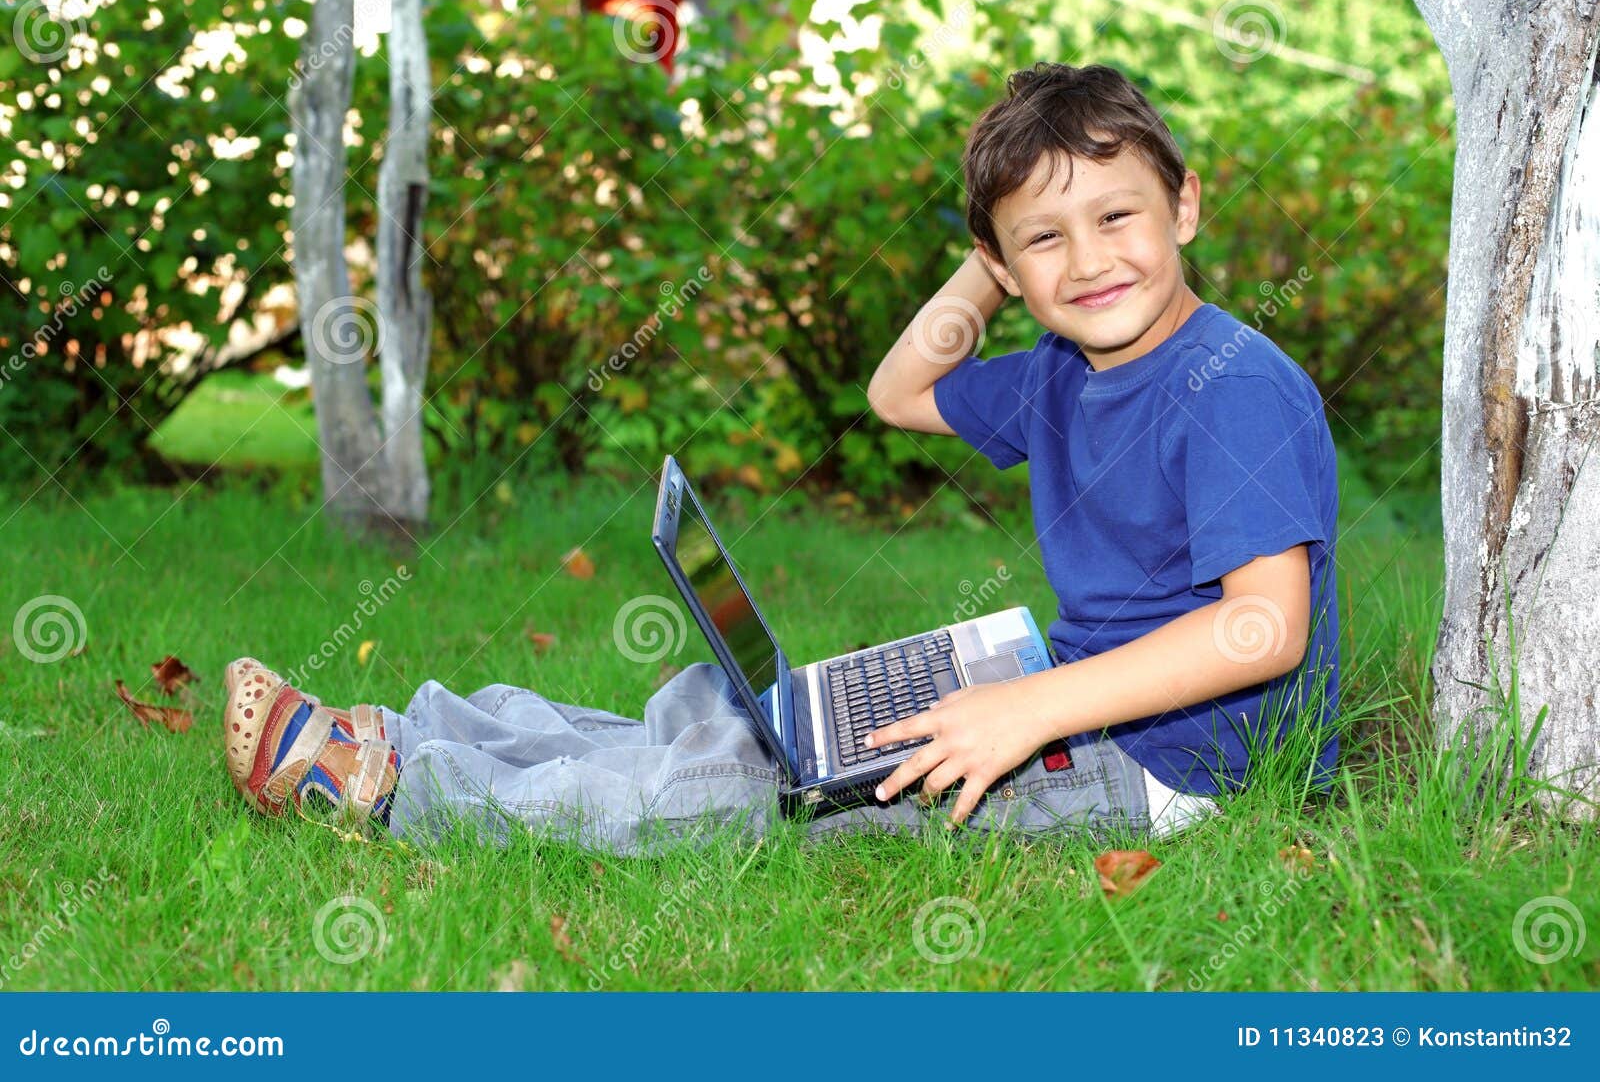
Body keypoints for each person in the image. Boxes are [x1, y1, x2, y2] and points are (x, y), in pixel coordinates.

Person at [222, 61, 1339, 854]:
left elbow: (1263, 625)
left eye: (1116, 217)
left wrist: (1031, 709)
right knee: (745, 718)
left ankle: (384, 788)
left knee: (751, 798)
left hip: (1171, 770)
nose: (1089, 261)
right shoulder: (1063, 367)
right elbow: (896, 393)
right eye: (1044, 237)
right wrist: (988, 274)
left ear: (1183, 207)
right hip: (1075, 702)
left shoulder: (1232, 385)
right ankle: (422, 732)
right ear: (1002, 258)